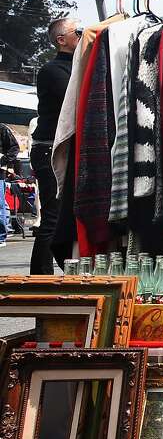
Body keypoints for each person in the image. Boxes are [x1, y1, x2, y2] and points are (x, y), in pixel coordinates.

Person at [29, 16, 78, 270]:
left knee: (63, 215)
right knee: (53, 216)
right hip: (49, 149)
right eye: (77, 32)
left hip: (63, 148)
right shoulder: (53, 71)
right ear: (62, 40)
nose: (81, 36)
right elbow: (73, 98)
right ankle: (40, 281)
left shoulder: (76, 67)